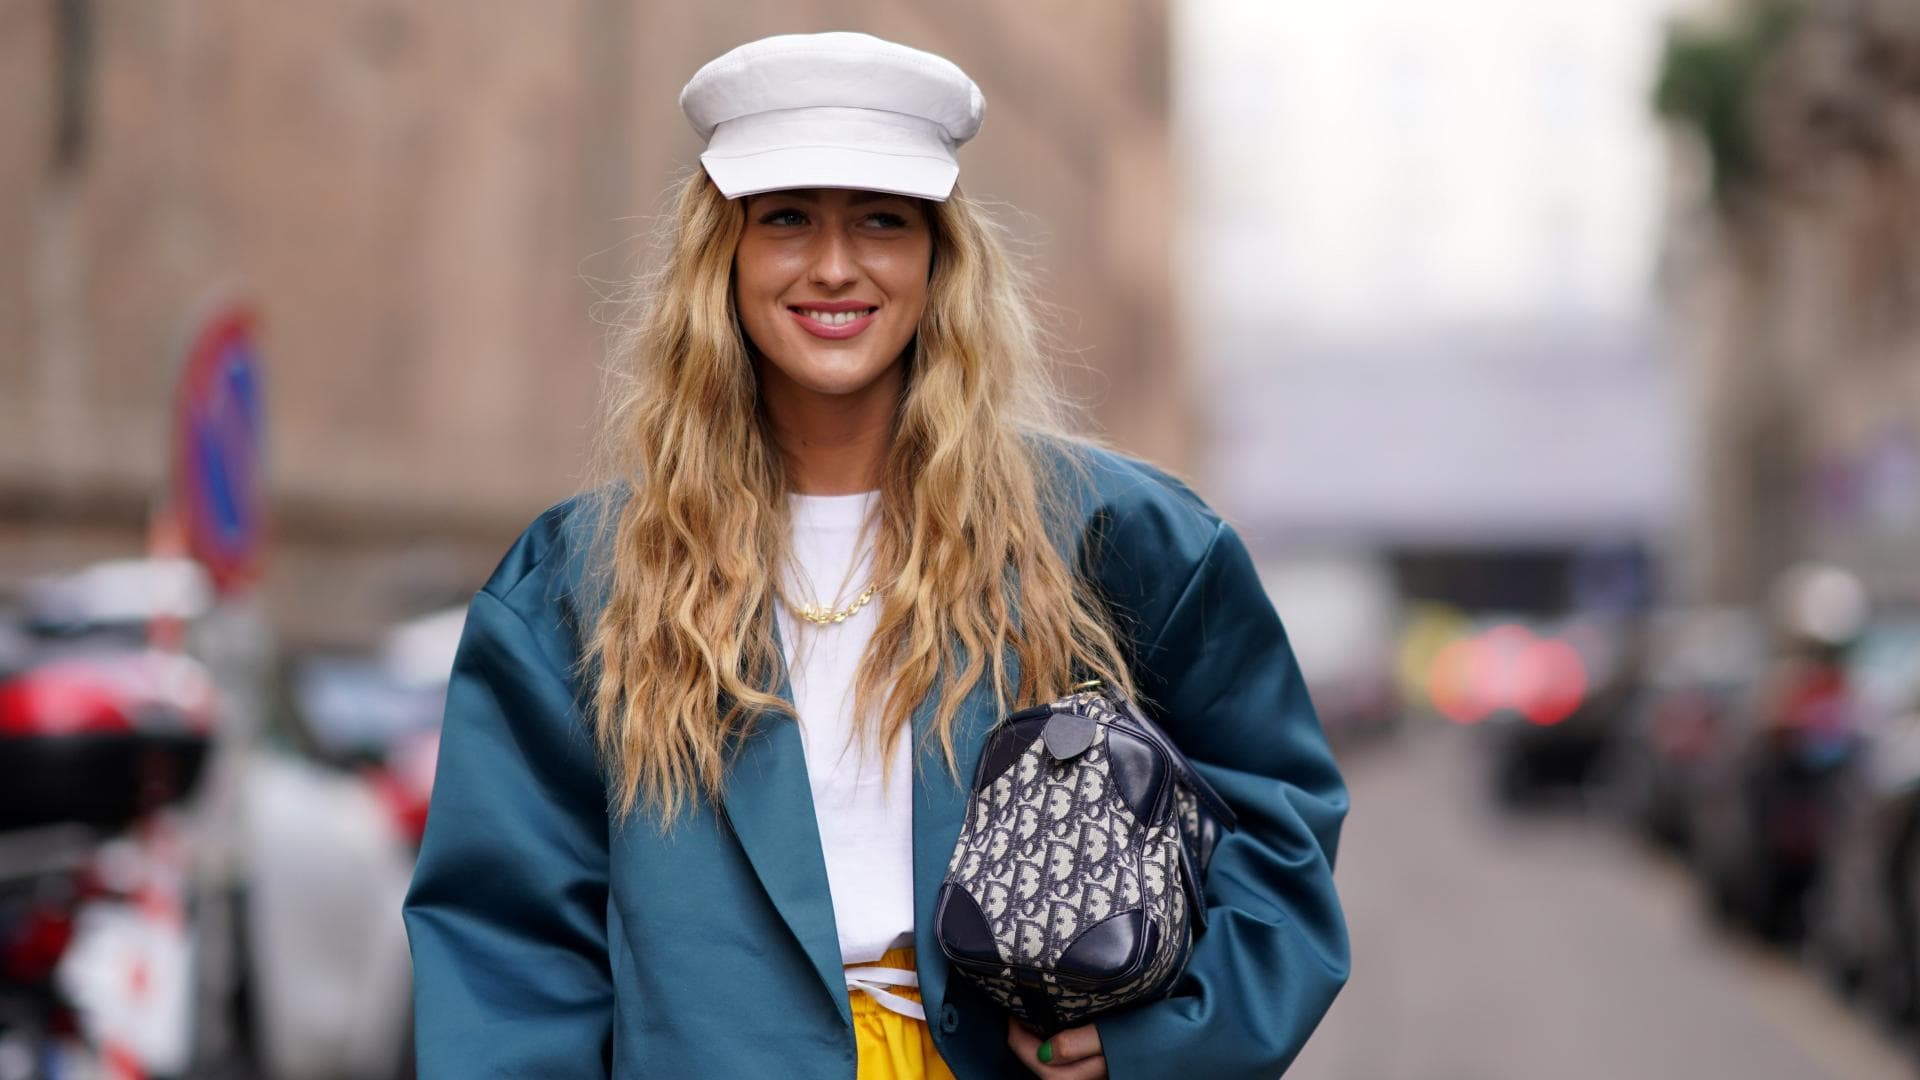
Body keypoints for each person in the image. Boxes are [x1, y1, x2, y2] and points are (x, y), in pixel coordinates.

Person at [402, 31, 1348, 1080]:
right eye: (787, 218)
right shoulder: (581, 581)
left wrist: (1161, 1044)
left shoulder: (1108, 535)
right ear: (723, 253)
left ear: (939, 257)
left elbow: (1279, 830)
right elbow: (508, 946)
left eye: (882, 220)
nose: (834, 265)